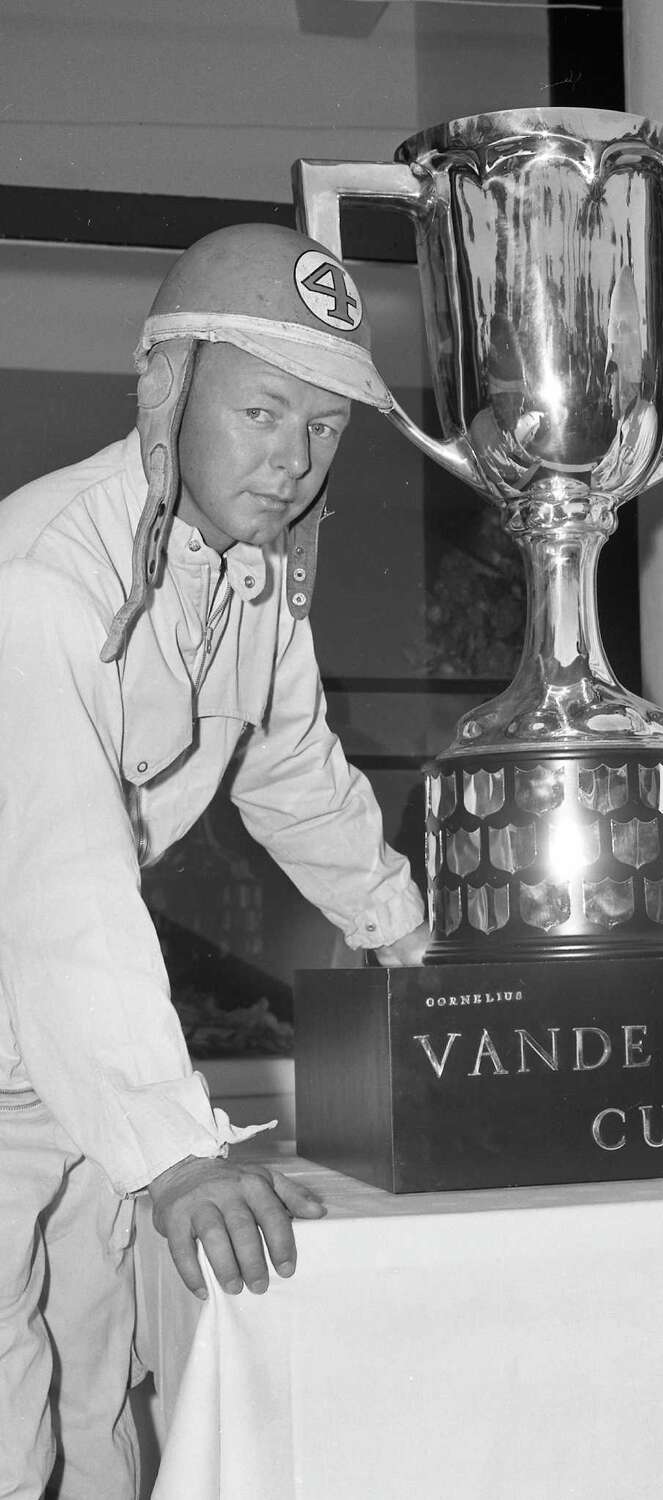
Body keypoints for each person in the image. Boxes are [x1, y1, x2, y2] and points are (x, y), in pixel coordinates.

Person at [0, 223, 429, 1499]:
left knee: (104, 1397)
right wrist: (175, 1151)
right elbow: (63, 888)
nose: (292, 461)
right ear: (168, 388)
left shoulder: (251, 582)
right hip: (33, 1014)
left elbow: (299, 776)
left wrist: (413, 951)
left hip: (68, 1058)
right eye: (261, 411)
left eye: (323, 429)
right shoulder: (41, 581)